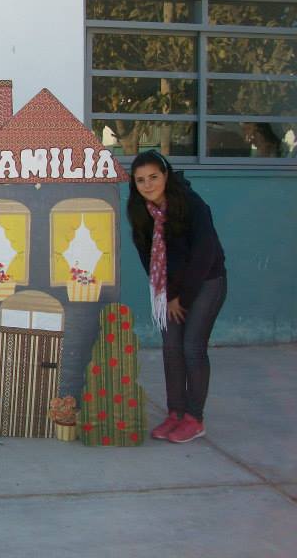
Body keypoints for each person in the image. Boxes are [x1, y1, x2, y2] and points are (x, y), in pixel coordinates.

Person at [127, 150, 227, 444]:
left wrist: (179, 297)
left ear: (166, 175)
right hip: (170, 290)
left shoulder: (191, 205)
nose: (148, 185)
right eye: (141, 180)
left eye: (154, 177)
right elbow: (148, 258)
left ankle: (194, 419)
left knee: (192, 347)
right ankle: (175, 413)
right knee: (171, 348)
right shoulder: (141, 212)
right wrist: (166, 293)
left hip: (207, 282)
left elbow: (204, 256)